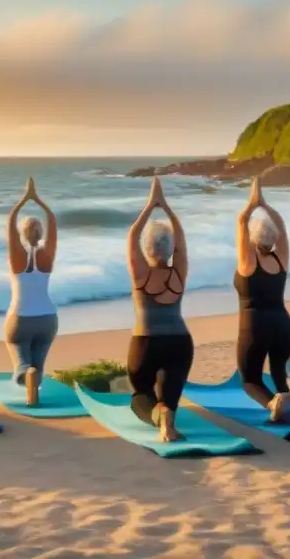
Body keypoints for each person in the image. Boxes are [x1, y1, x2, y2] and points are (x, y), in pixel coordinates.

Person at [126, 176, 193, 442]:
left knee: (141, 393)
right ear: (170, 247)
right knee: (171, 389)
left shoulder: (140, 274)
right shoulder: (179, 272)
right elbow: (182, 241)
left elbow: (132, 235)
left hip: (146, 343)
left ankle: (159, 415)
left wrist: (149, 205)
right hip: (179, 342)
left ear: (147, 247)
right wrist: (166, 207)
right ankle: (169, 418)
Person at [234, 177, 290, 423]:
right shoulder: (281, 259)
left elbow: (241, 222)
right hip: (283, 325)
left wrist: (252, 204)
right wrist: (265, 205)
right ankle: (286, 404)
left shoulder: (248, 262)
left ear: (252, 239)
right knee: (279, 373)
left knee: (250, 379)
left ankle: (273, 404)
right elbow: (282, 229)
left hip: (255, 325)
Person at [4, 177, 59, 407]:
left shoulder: (17, 258)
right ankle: (33, 386)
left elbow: (10, 225)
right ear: (41, 233)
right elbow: (53, 222)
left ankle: (25, 374)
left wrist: (23, 200)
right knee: (39, 362)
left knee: (22, 360)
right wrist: (38, 201)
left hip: (21, 319)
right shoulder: (47, 256)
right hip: (47, 318)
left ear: (23, 234)